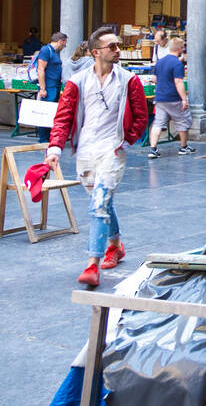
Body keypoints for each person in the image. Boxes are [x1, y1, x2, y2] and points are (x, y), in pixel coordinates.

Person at [46, 25, 148, 286]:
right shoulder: (77, 82)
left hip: (111, 151)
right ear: (95, 52)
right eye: (112, 46)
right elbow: (64, 116)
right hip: (85, 151)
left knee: (99, 205)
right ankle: (115, 245)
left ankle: (92, 264)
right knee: (102, 204)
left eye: (118, 45)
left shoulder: (129, 80)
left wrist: (126, 141)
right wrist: (55, 147)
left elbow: (141, 116)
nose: (118, 50)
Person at [146, 37, 195, 159]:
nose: (183, 49)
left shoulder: (160, 62)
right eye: (183, 47)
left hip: (160, 97)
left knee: (158, 123)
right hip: (173, 98)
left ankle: (153, 149)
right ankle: (183, 147)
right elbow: (178, 82)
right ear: (179, 49)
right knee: (182, 121)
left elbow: (154, 79)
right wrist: (184, 99)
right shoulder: (177, 63)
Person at [33, 31, 67, 144]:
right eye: (64, 43)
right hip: (49, 87)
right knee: (45, 112)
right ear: (60, 41)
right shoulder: (46, 50)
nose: (65, 46)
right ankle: (43, 139)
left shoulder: (55, 52)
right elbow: (41, 69)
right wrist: (43, 89)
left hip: (55, 86)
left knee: (51, 112)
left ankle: (49, 137)